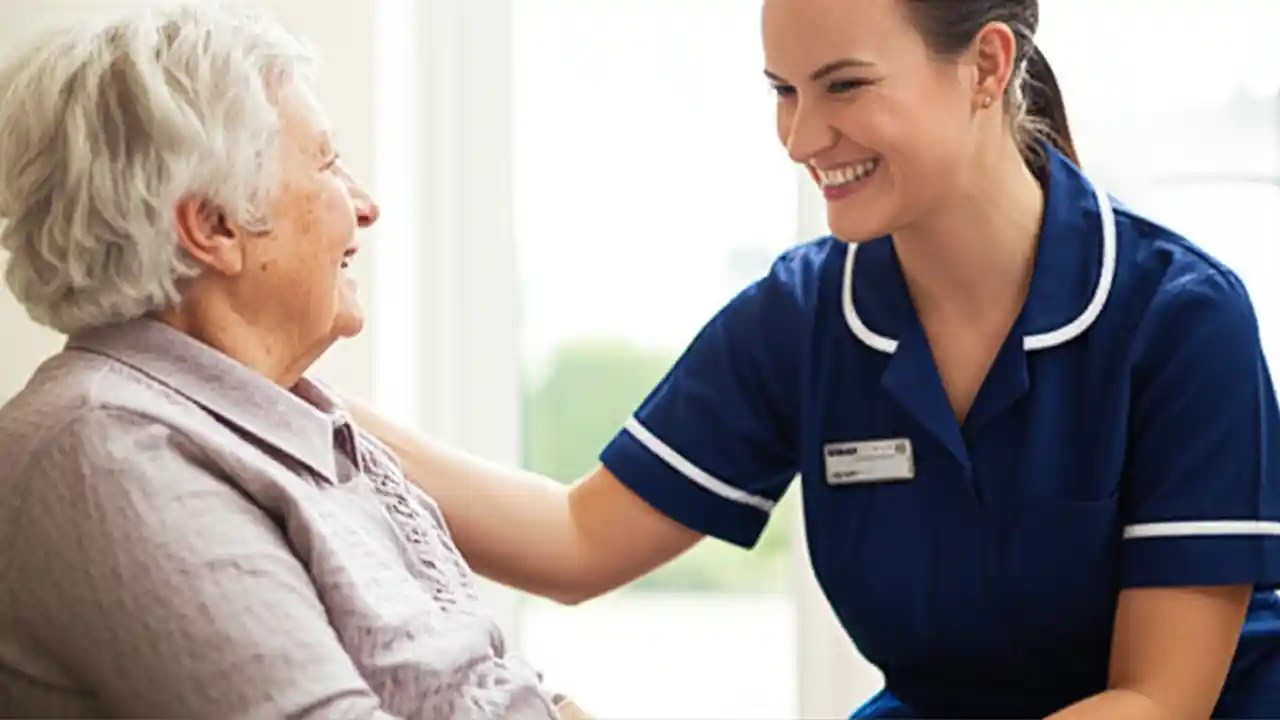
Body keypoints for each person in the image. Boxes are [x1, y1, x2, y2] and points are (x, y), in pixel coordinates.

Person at [348, 0, 1280, 717]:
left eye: (844, 86)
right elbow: (578, 539)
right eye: (783, 91)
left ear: (987, 65)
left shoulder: (1180, 319)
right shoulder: (802, 319)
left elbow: (1158, 701)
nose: (799, 139)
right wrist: (299, 406)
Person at [0, 5, 577, 719]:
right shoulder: (107, 451)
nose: (366, 207)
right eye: (329, 162)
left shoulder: (290, 420)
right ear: (214, 225)